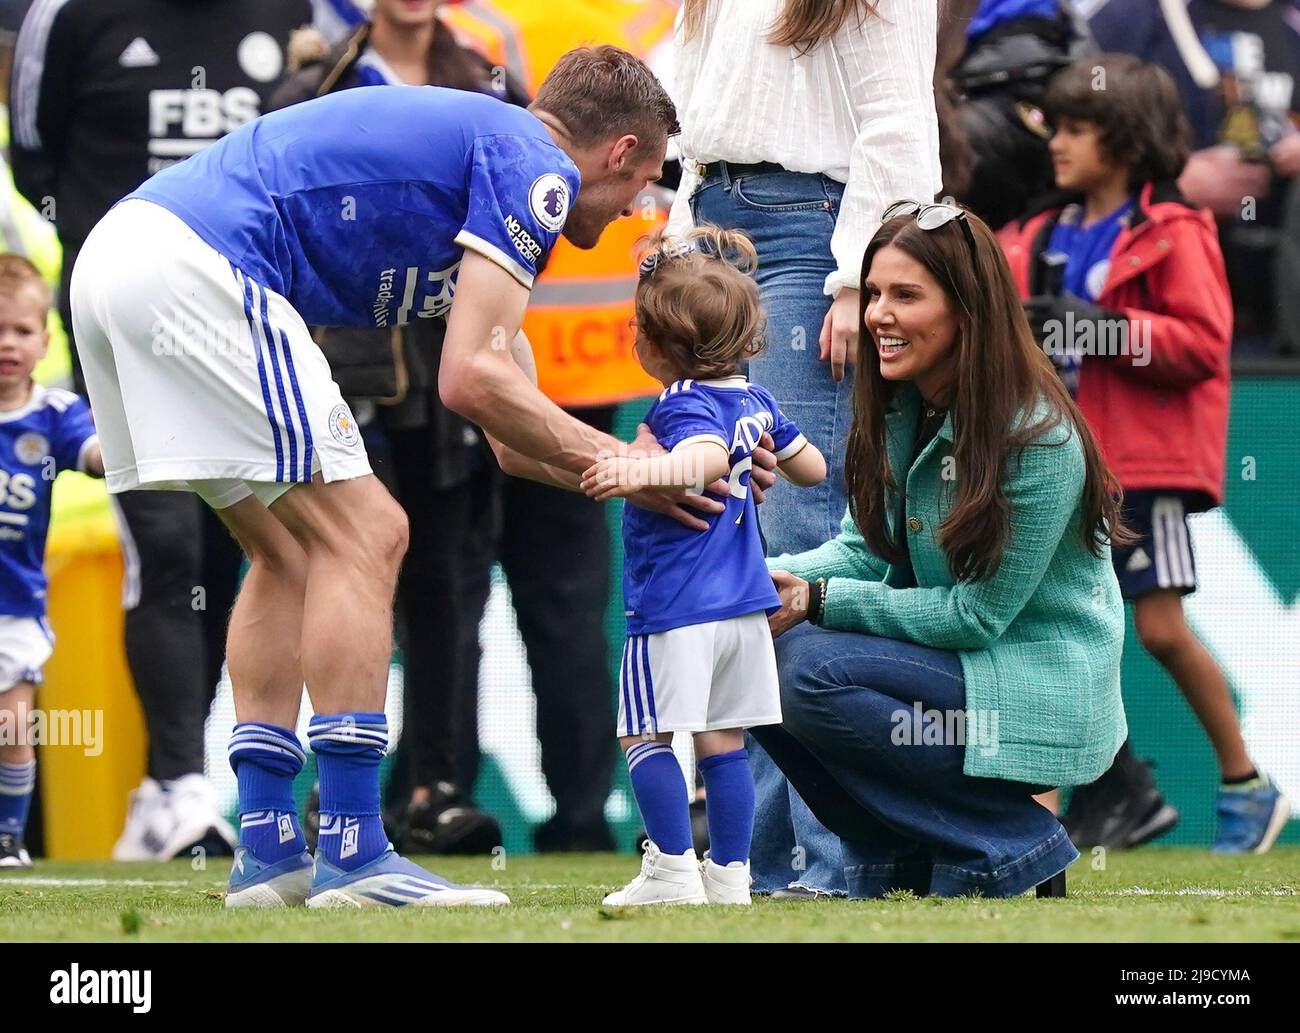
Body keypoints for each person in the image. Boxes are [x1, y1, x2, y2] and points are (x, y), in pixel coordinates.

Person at [70, 46, 683, 908]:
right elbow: (469, 378)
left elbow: (508, 431)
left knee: (285, 551)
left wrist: (640, 478)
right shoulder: (536, 165)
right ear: (617, 151)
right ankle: (355, 846)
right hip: (195, 265)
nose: (632, 214)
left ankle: (270, 849)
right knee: (373, 530)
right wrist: (626, 461)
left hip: (119, 259)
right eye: (642, 186)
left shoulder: (500, 163)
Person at [9, 0, 316, 860]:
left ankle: (163, 782)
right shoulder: (67, 15)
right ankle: (183, 784)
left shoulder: (289, 11)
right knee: (166, 549)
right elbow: (33, 152)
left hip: (244, 332)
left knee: (238, 556)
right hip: (126, 335)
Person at [755, 199, 1128, 898]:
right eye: (872, 293)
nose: (877, 315)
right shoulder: (901, 404)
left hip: (1030, 686)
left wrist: (820, 600)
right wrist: (745, 583)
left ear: (967, 309)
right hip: (955, 671)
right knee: (747, 647)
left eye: (905, 295)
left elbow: (976, 617)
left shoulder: (1040, 436)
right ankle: (899, 857)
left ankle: (1018, 845)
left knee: (807, 672)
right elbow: (863, 553)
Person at [666, 0, 943, 899]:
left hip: (810, 232)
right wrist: (676, 241)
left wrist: (857, 273)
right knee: (728, 545)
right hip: (711, 230)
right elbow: (695, 116)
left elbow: (898, 116)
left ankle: (840, 858)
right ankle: (764, 855)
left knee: (795, 541)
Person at [1000, 53, 1291, 852]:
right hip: (1054, 465)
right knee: (1043, 633)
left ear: (1124, 139)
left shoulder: (1175, 228)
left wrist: (1090, 324)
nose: (1057, 142)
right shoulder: (1036, 230)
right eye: (1053, 126)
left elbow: (1202, 343)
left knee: (1159, 628)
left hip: (1141, 468)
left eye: (1077, 127)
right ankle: (1039, 822)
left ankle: (1245, 783)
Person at [269, 0, 533, 855]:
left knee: (444, 585)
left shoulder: (489, 82)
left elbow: (528, 231)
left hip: (449, 366)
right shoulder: (319, 81)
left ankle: (434, 786)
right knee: (345, 566)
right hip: (338, 365)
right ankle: (330, 797)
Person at [582, 226, 826, 905]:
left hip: (675, 606)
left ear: (655, 346)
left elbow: (706, 459)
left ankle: (670, 871)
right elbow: (814, 466)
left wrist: (634, 473)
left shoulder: (682, 402)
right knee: (723, 739)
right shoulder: (756, 399)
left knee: (644, 730)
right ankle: (732, 877)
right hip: (744, 608)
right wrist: (770, 446)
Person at [1083, 0, 1300, 356]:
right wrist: (1173, 183)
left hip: (1282, 313)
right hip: (1166, 312)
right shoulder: (1134, 19)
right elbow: (1063, 144)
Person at [0, 254, 102, 868]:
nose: (6, 344)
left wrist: (110, 456)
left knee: (12, 724)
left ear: (43, 339)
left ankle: (8, 838)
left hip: (15, 604)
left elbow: (93, 453)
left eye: (20, 331)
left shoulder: (53, 415)